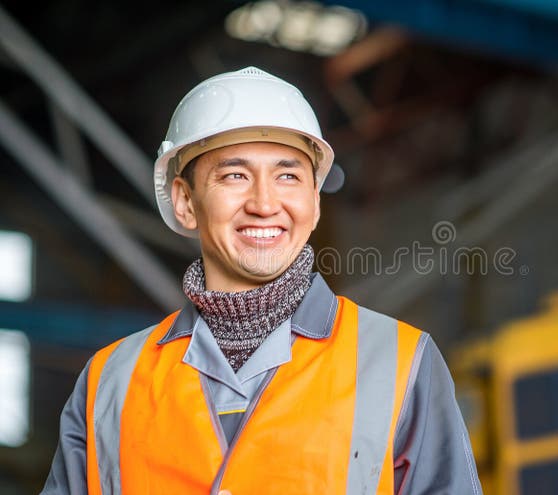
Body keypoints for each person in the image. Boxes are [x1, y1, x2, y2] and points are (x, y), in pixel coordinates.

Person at [41, 66, 482, 494]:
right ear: (184, 201)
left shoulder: (400, 363)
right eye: (234, 175)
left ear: (314, 201)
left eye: (287, 175)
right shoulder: (109, 382)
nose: (265, 202)